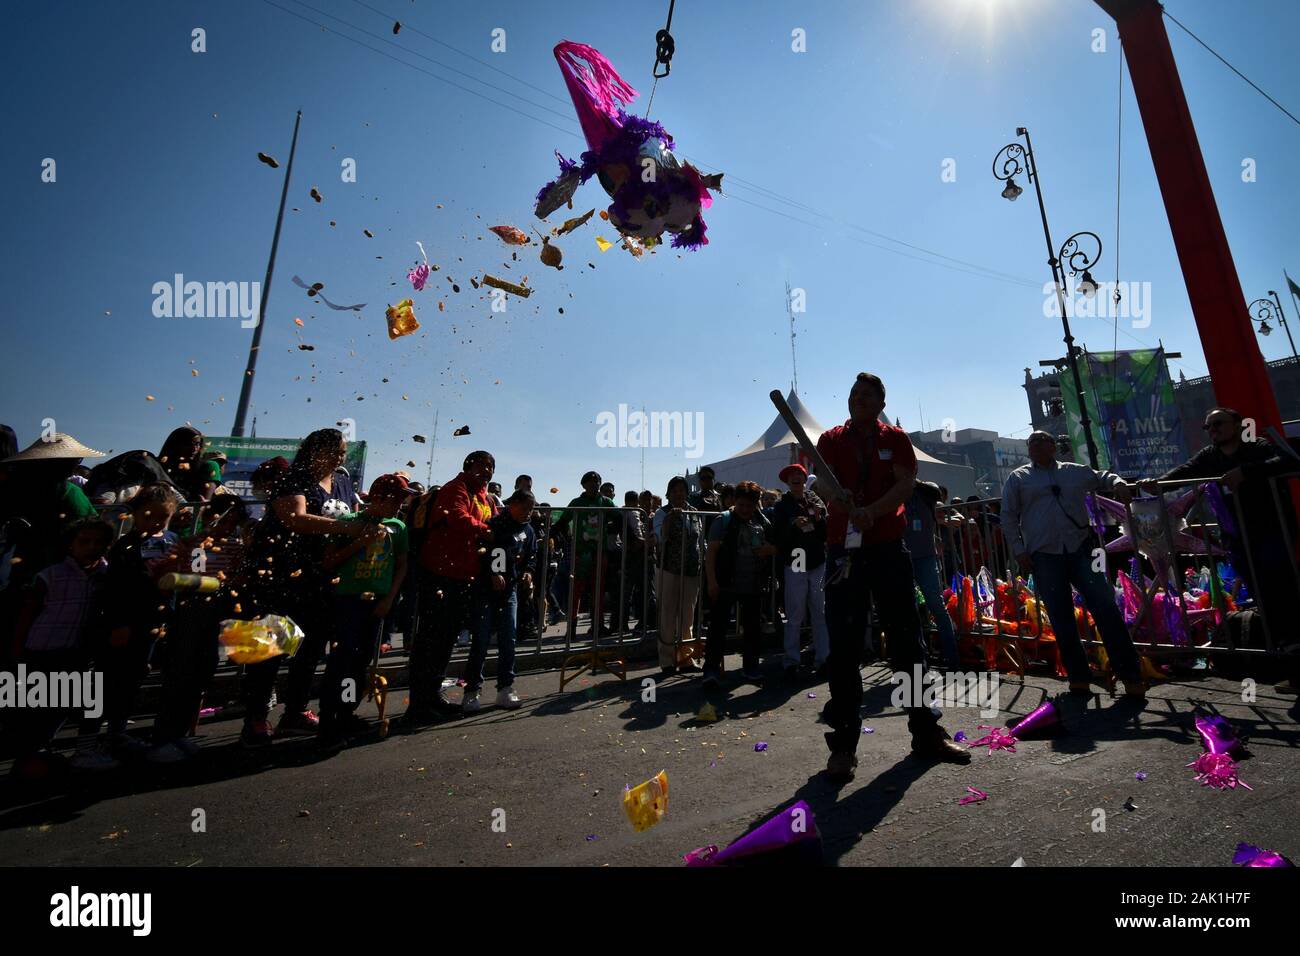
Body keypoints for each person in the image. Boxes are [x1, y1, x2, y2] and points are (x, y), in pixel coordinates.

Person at [816, 373, 971, 782]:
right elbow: (821, 483)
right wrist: (843, 504)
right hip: (842, 552)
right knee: (845, 648)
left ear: (881, 402)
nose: (857, 400)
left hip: (887, 548)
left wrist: (874, 511)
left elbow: (905, 486)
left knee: (907, 641)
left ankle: (925, 733)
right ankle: (844, 746)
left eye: (867, 396)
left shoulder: (896, 438)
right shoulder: (831, 440)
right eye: (853, 394)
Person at [235, 428, 369, 746]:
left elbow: (352, 512)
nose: (341, 456)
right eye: (336, 450)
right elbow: (294, 518)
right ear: (316, 450)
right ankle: (255, 719)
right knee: (271, 647)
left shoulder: (342, 482)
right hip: (279, 574)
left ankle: (294, 712)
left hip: (320, 576)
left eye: (343, 451)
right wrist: (347, 527)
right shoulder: (294, 478)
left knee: (309, 649)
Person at [1141, 407, 1300, 649]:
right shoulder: (1209, 455)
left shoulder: (1255, 446)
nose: (1212, 430)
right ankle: (1281, 643)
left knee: (1281, 584)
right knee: (1258, 588)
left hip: (1270, 529)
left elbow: (1287, 460)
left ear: (1237, 424)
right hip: (1236, 534)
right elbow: (1186, 470)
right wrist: (1159, 483)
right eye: (1208, 426)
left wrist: (1245, 472)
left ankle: (1294, 639)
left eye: (1218, 424)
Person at [1002, 430, 1144, 697]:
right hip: (1044, 554)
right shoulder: (1018, 478)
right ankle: (1078, 677)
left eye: (1041, 440)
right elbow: (1008, 516)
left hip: (1080, 548)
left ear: (1053, 446)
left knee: (1105, 608)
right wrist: (1019, 550)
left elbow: (1102, 476)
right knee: (1060, 616)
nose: (1035, 445)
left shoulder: (1074, 471)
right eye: (1031, 442)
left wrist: (1117, 482)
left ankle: (1131, 675)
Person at [71, 484, 182, 768]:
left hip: (155, 626)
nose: (156, 523)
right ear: (134, 514)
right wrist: (119, 624)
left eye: (163, 517)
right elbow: (116, 589)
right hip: (125, 625)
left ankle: (117, 735)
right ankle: (85, 746)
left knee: (131, 683)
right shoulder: (125, 547)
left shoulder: (173, 541)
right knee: (106, 683)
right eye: (149, 517)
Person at [7, 518, 114, 773]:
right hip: (44, 650)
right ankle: (30, 757)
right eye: (84, 541)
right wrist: (17, 649)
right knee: (42, 706)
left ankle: (81, 751)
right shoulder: (51, 575)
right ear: (70, 545)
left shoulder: (106, 574)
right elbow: (28, 614)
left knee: (83, 700)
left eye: (98, 542)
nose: (91, 547)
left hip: (79, 650)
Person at [317, 474, 410, 748]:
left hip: (378, 602)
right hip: (348, 602)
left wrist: (389, 599)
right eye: (394, 500)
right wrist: (360, 540)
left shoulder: (398, 527)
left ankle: (347, 712)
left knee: (360, 663)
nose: (398, 506)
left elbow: (402, 565)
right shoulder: (347, 523)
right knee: (342, 661)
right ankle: (328, 721)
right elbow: (329, 561)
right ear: (379, 498)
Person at [405, 450, 497, 725]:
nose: (487, 471)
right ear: (467, 466)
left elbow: (492, 522)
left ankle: (433, 697)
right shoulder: (454, 488)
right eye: (482, 465)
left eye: (491, 467)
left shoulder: (485, 496)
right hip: (439, 575)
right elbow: (455, 516)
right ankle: (418, 706)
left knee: (445, 641)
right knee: (430, 641)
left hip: (463, 578)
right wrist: (486, 530)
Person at [0, 432, 103, 666]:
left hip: (16, 569)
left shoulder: (13, 488)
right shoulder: (69, 492)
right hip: (55, 572)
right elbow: (91, 525)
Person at [463, 489, 537, 712]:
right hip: (485, 590)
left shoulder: (529, 530)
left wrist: (528, 573)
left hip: (510, 591)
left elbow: (531, 556)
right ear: (512, 505)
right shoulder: (495, 524)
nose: (528, 513)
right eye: (524, 508)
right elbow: (485, 551)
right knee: (481, 641)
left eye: (531, 509)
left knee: (508, 639)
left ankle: (505, 688)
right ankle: (471, 691)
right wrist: (493, 572)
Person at [703, 481, 777, 687]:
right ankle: (710, 670)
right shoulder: (723, 521)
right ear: (735, 502)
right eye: (741, 505)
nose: (745, 510)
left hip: (753, 583)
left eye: (749, 506)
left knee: (753, 629)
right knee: (717, 629)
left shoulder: (763, 521)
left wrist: (769, 550)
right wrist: (712, 583)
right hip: (726, 583)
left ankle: (751, 668)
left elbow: (776, 546)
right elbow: (711, 554)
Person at [771, 464, 830, 681]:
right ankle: (792, 660)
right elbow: (778, 535)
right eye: (791, 476)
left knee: (820, 612)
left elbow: (825, 530)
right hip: (796, 558)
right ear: (787, 481)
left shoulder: (815, 501)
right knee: (795, 613)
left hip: (816, 560)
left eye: (799, 475)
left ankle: (824, 658)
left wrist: (819, 518)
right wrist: (793, 524)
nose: (796, 478)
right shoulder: (781, 506)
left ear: (805, 479)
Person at [550, 472, 619, 638]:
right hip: (581, 554)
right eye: (589, 482)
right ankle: (571, 629)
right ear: (583, 485)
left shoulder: (606, 502)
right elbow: (562, 522)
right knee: (576, 591)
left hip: (599, 554)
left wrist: (610, 529)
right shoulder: (576, 503)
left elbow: (619, 518)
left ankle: (597, 626)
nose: (593, 485)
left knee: (598, 591)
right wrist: (552, 535)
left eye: (596, 482)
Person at [906, 480, 961, 669]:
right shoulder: (893, 493)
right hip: (903, 557)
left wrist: (912, 481)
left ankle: (951, 656)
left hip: (926, 557)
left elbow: (937, 492)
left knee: (936, 605)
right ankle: (918, 658)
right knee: (909, 610)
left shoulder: (926, 492)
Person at [654, 477, 703, 673]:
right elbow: (660, 537)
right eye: (674, 490)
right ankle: (666, 660)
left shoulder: (694, 512)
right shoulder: (661, 513)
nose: (678, 494)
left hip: (691, 570)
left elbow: (699, 539)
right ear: (668, 493)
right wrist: (669, 519)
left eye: (681, 490)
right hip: (669, 569)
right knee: (667, 613)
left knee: (687, 615)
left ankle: (686, 659)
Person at [158, 426, 216, 502]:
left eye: (197, 444)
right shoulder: (158, 465)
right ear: (176, 444)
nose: (194, 448)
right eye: (189, 444)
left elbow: (203, 504)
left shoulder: (207, 466)